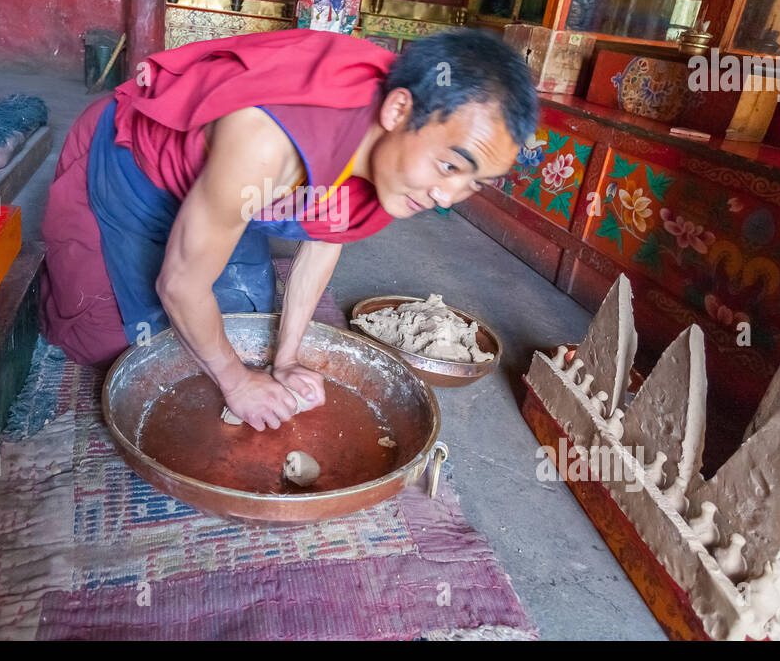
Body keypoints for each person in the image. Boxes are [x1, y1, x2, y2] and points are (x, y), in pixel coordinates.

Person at [40, 28, 537, 431]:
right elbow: (180, 285)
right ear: (398, 111)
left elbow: (328, 236)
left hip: (230, 190)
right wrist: (237, 383)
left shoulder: (396, 162)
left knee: (246, 316)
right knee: (121, 345)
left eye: (477, 184)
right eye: (451, 167)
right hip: (137, 164)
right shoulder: (266, 140)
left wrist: (288, 357)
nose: (446, 198)